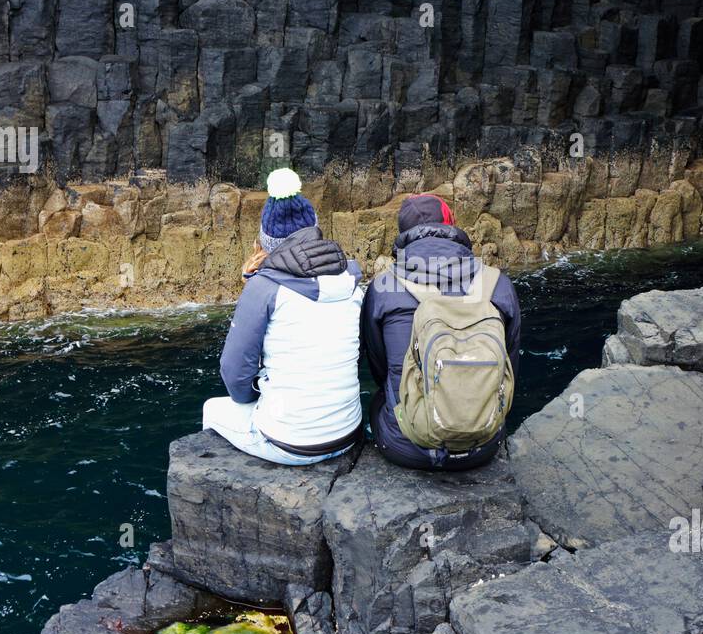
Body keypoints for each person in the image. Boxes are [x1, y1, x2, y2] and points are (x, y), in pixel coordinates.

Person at [202, 167, 364, 465]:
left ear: (265, 242)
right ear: (315, 230)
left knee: (212, 409)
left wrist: (253, 399)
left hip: (291, 444)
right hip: (348, 433)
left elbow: (234, 370)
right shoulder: (351, 278)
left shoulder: (264, 289)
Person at [361, 194, 521, 471]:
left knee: (381, 396)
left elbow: (379, 367)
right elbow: (510, 367)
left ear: (404, 234)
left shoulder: (383, 287)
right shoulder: (498, 284)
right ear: (452, 226)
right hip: (484, 443)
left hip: (408, 446)